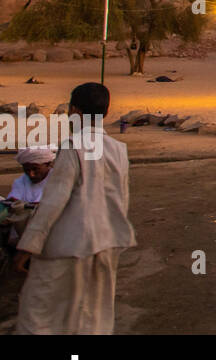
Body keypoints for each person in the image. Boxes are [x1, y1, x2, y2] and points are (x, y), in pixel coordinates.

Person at [14, 82, 136, 334]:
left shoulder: (72, 147)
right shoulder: (119, 149)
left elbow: (53, 202)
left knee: (38, 313)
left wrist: (27, 247)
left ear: (75, 111)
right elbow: (121, 199)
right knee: (94, 315)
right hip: (106, 242)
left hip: (70, 245)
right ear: (106, 113)